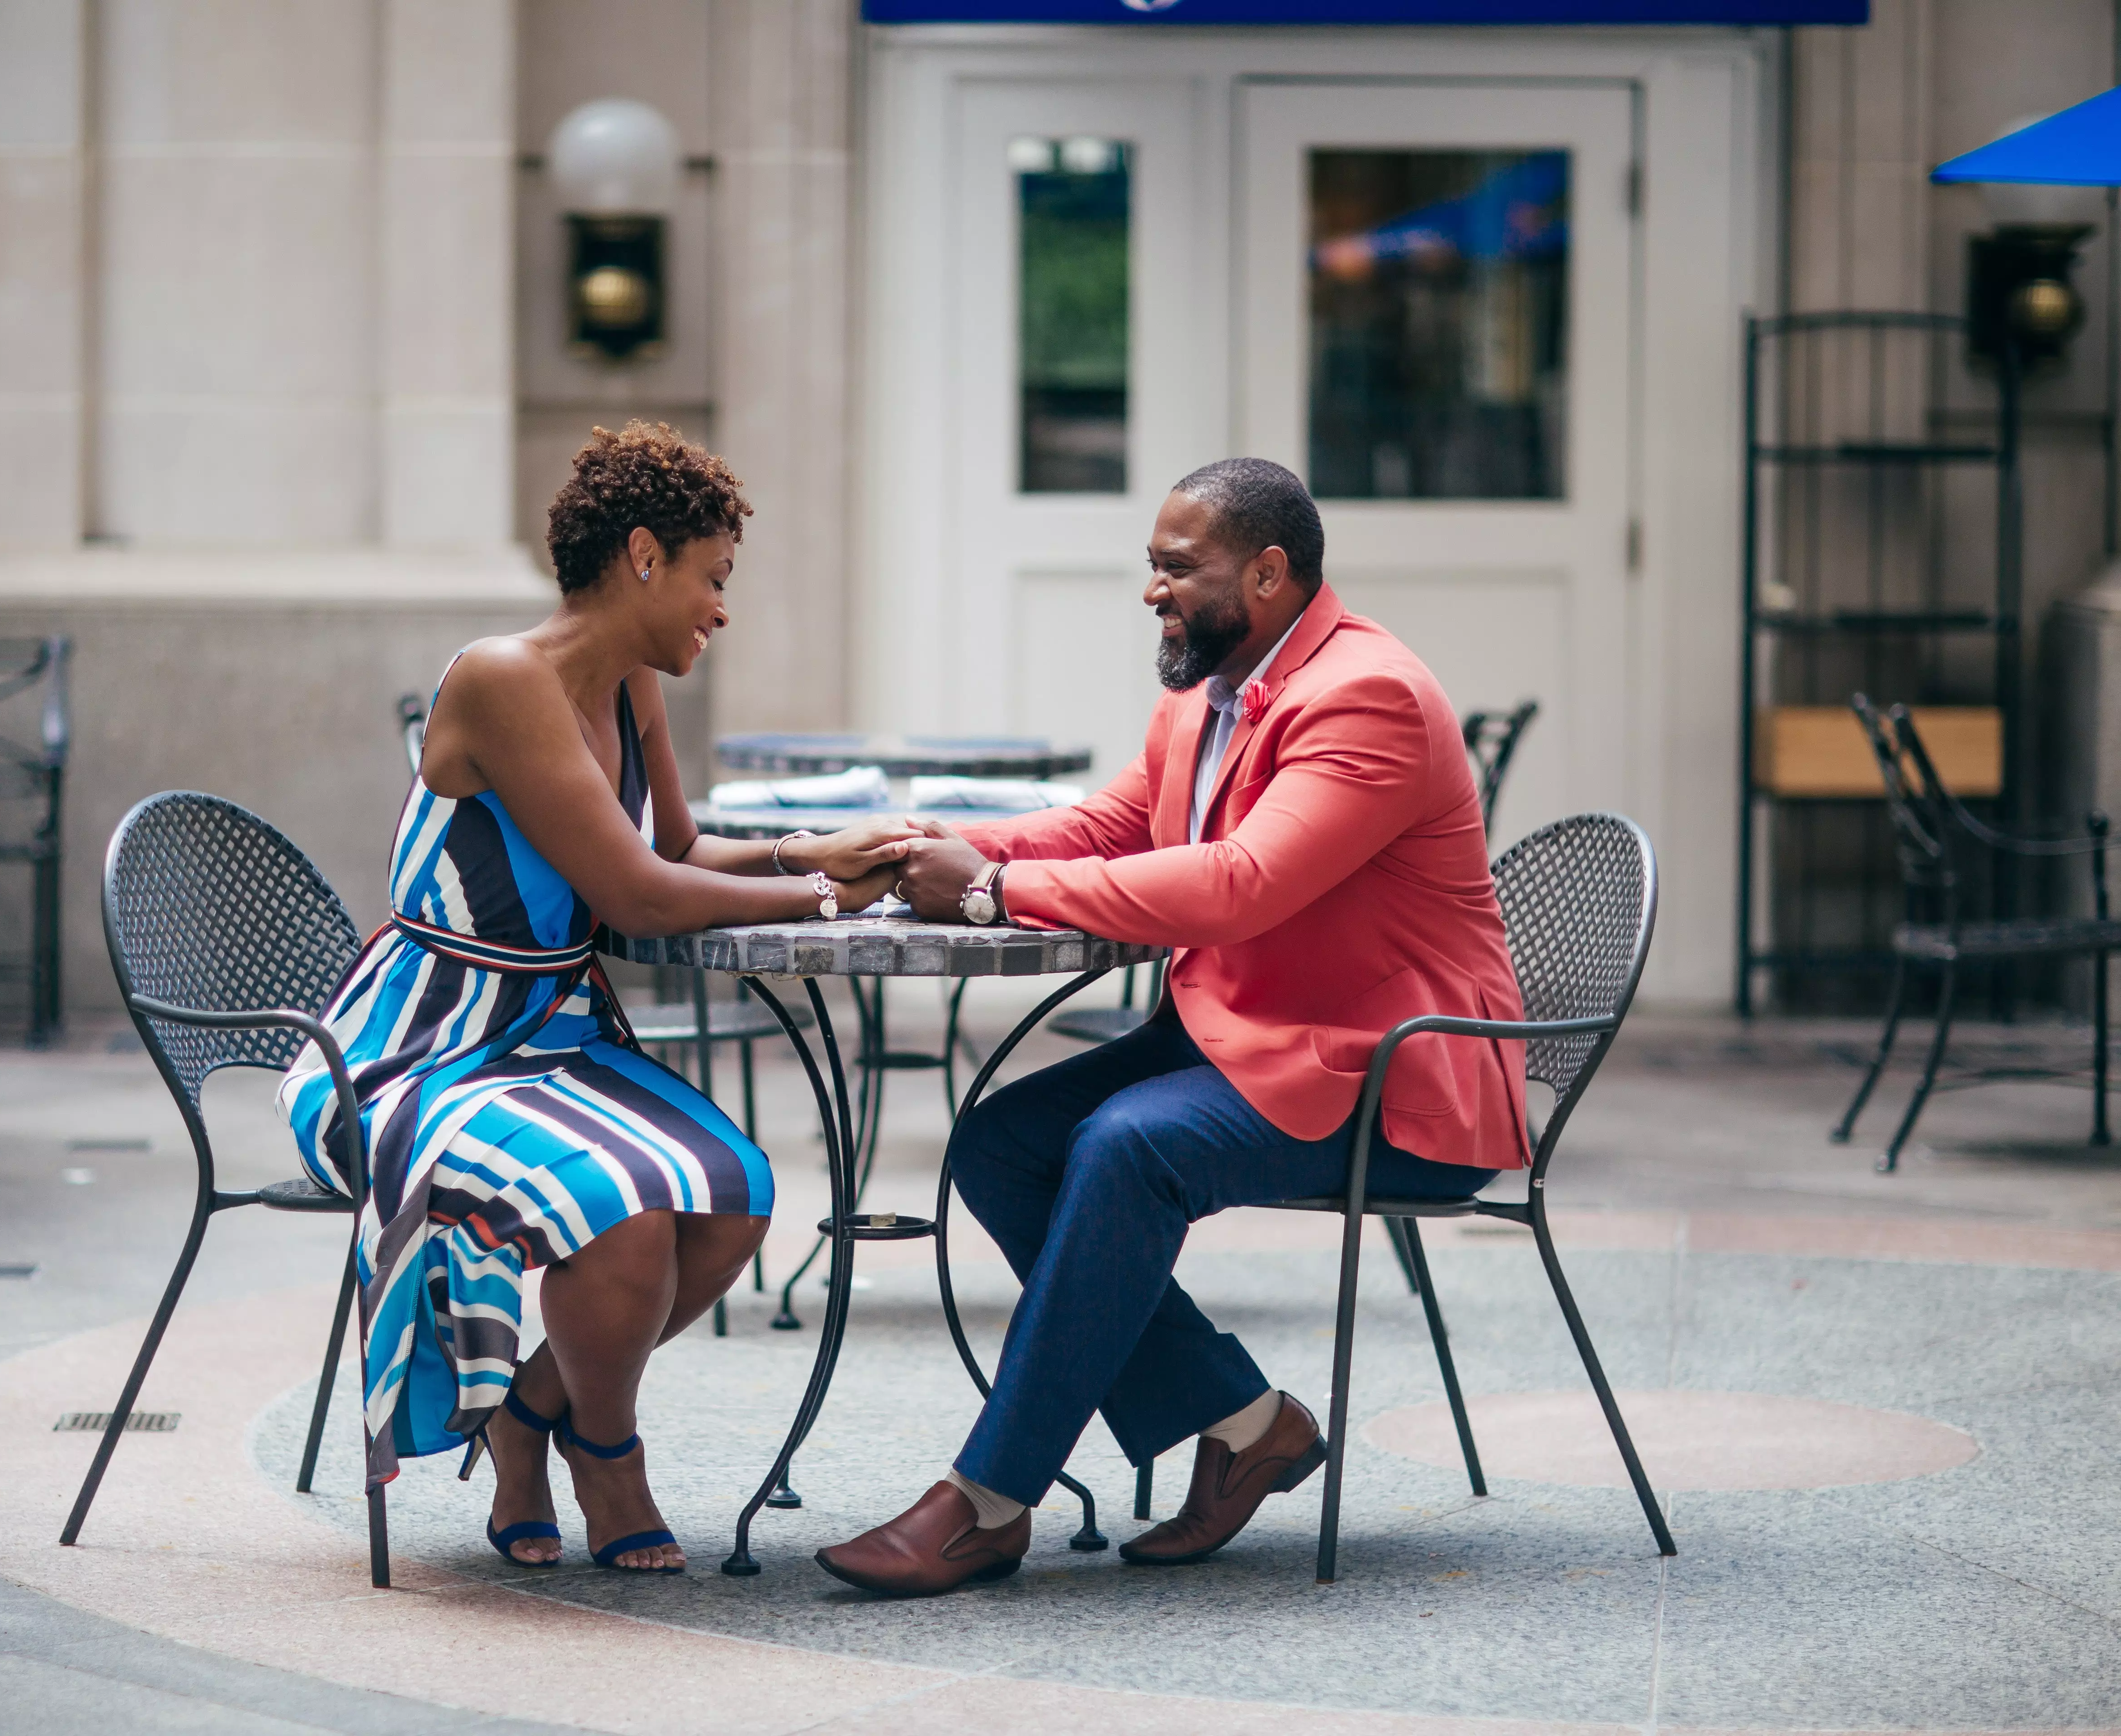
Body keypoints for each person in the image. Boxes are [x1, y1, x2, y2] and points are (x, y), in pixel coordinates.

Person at [812, 458, 1529, 1597]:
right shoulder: (1215, 683)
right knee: (1000, 1143)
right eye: (1152, 565)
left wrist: (994, 893)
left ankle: (989, 1504)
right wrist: (932, 844)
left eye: (1175, 567)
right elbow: (1118, 821)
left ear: (1271, 571)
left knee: (1127, 1146)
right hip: (1261, 1033)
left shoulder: (1369, 695)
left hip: (1390, 1075)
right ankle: (1249, 1423)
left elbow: (1243, 883)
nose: (1153, 589)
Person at [279, 422, 915, 1574]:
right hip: (413, 1053)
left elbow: (678, 847)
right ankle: (607, 1454)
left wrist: (820, 854)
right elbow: (642, 897)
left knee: (734, 1198)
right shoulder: (501, 679)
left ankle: (527, 1421)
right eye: (714, 578)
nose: (721, 609)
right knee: (624, 1213)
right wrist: (830, 898)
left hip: (548, 1038)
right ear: (642, 555)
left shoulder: (628, 688)